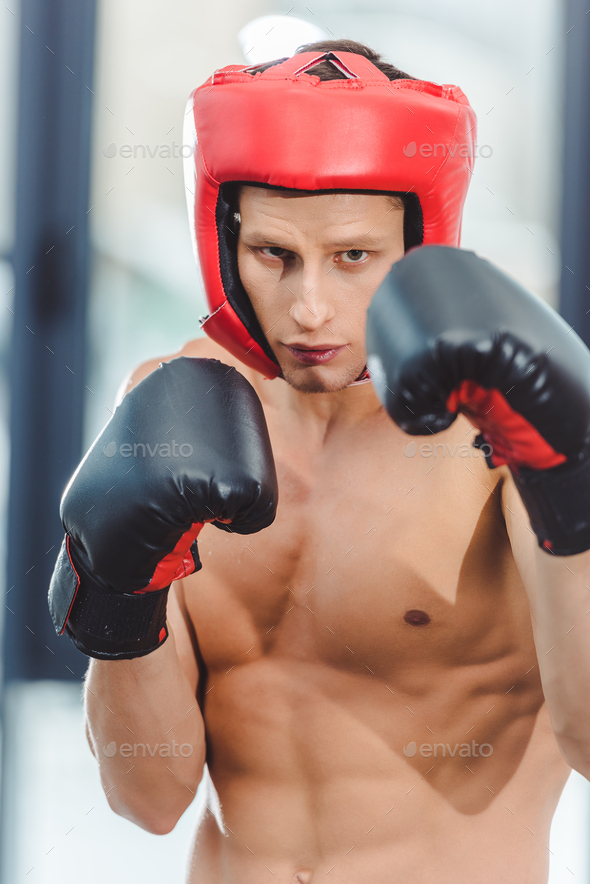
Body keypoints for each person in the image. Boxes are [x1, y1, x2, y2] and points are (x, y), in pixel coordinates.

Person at [48, 40, 590, 884]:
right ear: (224, 244)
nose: (308, 307)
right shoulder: (174, 407)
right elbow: (147, 797)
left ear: (421, 244)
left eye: (352, 257)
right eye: (274, 254)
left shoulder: (502, 433)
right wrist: (114, 595)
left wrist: (570, 481)